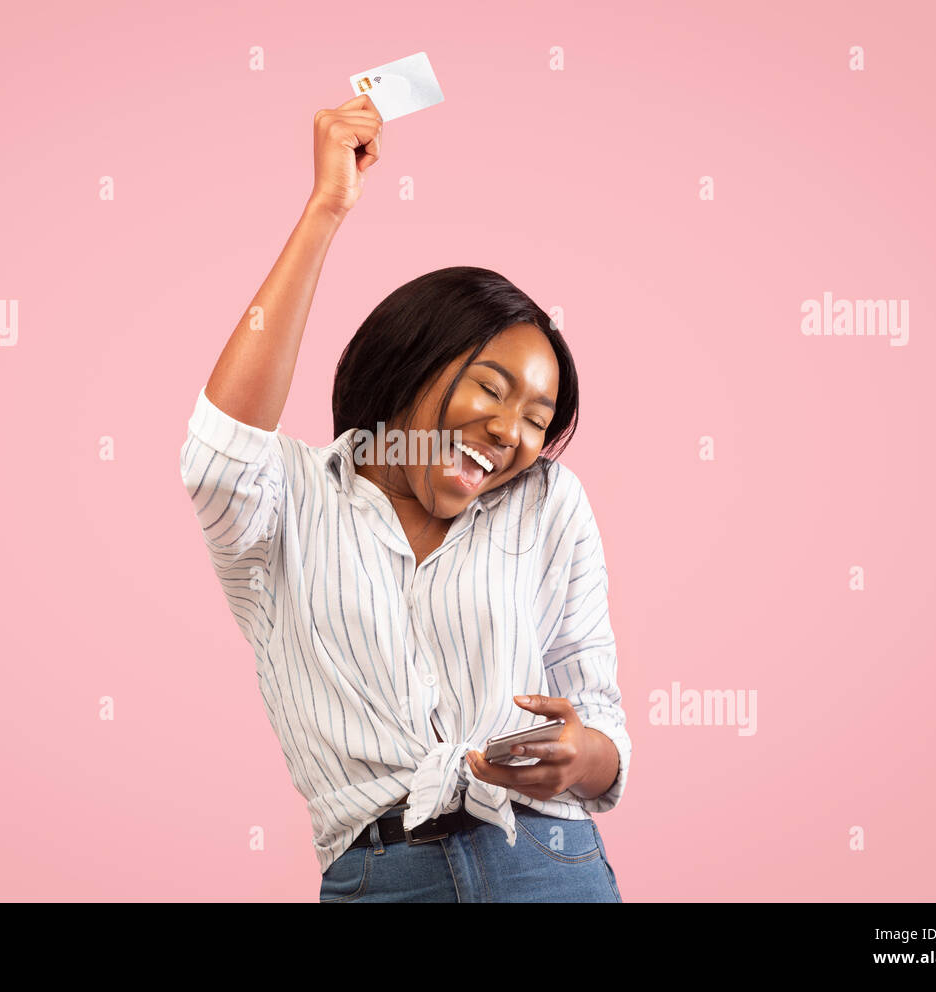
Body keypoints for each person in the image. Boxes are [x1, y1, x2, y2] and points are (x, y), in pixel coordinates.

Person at [179, 94, 631, 902]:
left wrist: (582, 754)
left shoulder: (546, 505)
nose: (509, 433)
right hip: (381, 875)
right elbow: (219, 451)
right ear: (411, 363)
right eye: (490, 389)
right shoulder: (285, 503)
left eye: (536, 418)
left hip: (550, 859)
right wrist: (325, 208)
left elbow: (598, 721)